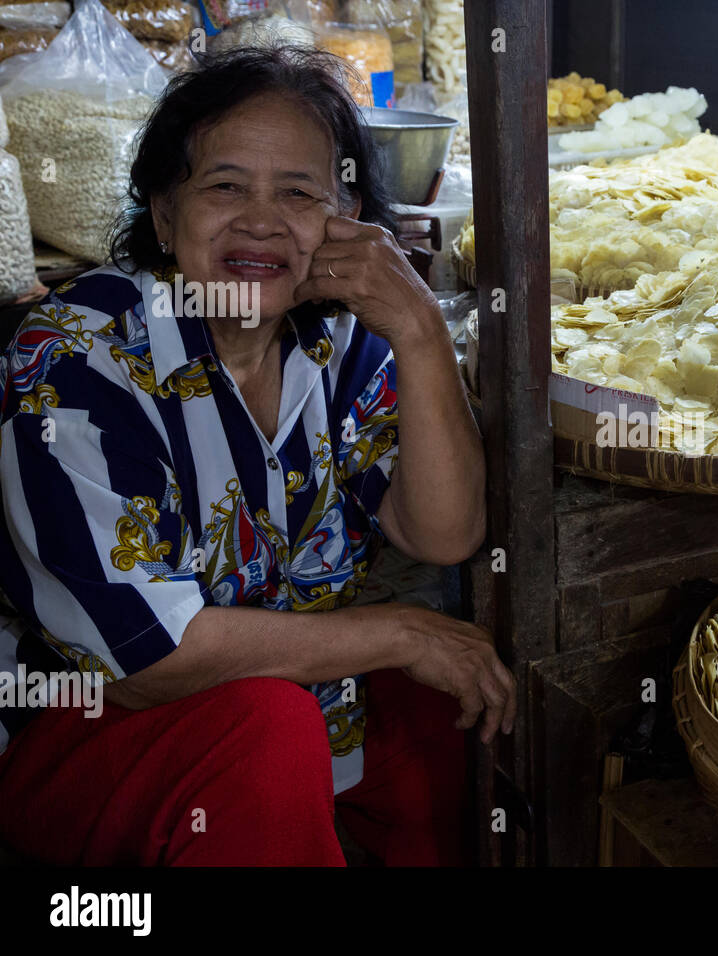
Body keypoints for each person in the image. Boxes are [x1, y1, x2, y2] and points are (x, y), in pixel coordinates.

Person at [0, 46, 514, 866]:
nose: (262, 221)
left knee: (428, 715)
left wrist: (416, 327)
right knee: (275, 730)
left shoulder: (342, 340)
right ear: (166, 216)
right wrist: (404, 634)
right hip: (94, 729)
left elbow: (445, 533)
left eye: (300, 194)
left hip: (284, 699)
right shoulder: (79, 359)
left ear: (345, 220)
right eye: (225, 187)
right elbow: (149, 661)